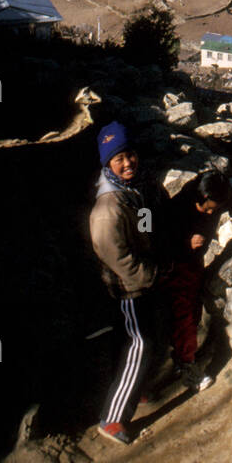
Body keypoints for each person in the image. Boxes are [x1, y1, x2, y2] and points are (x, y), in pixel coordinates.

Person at [89, 121, 172, 445]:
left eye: (130, 155)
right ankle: (112, 418)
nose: (127, 163)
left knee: (142, 338)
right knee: (140, 343)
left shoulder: (135, 188)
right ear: (108, 163)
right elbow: (114, 254)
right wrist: (149, 276)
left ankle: (135, 390)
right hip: (129, 286)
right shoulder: (108, 206)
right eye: (118, 159)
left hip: (143, 278)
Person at [166, 169, 232, 391]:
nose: (210, 211)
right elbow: (157, 237)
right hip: (175, 262)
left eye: (214, 208)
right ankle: (186, 366)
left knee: (191, 310)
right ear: (198, 198)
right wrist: (185, 242)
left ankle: (184, 357)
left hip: (193, 261)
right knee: (184, 313)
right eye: (207, 207)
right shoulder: (180, 205)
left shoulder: (220, 192)